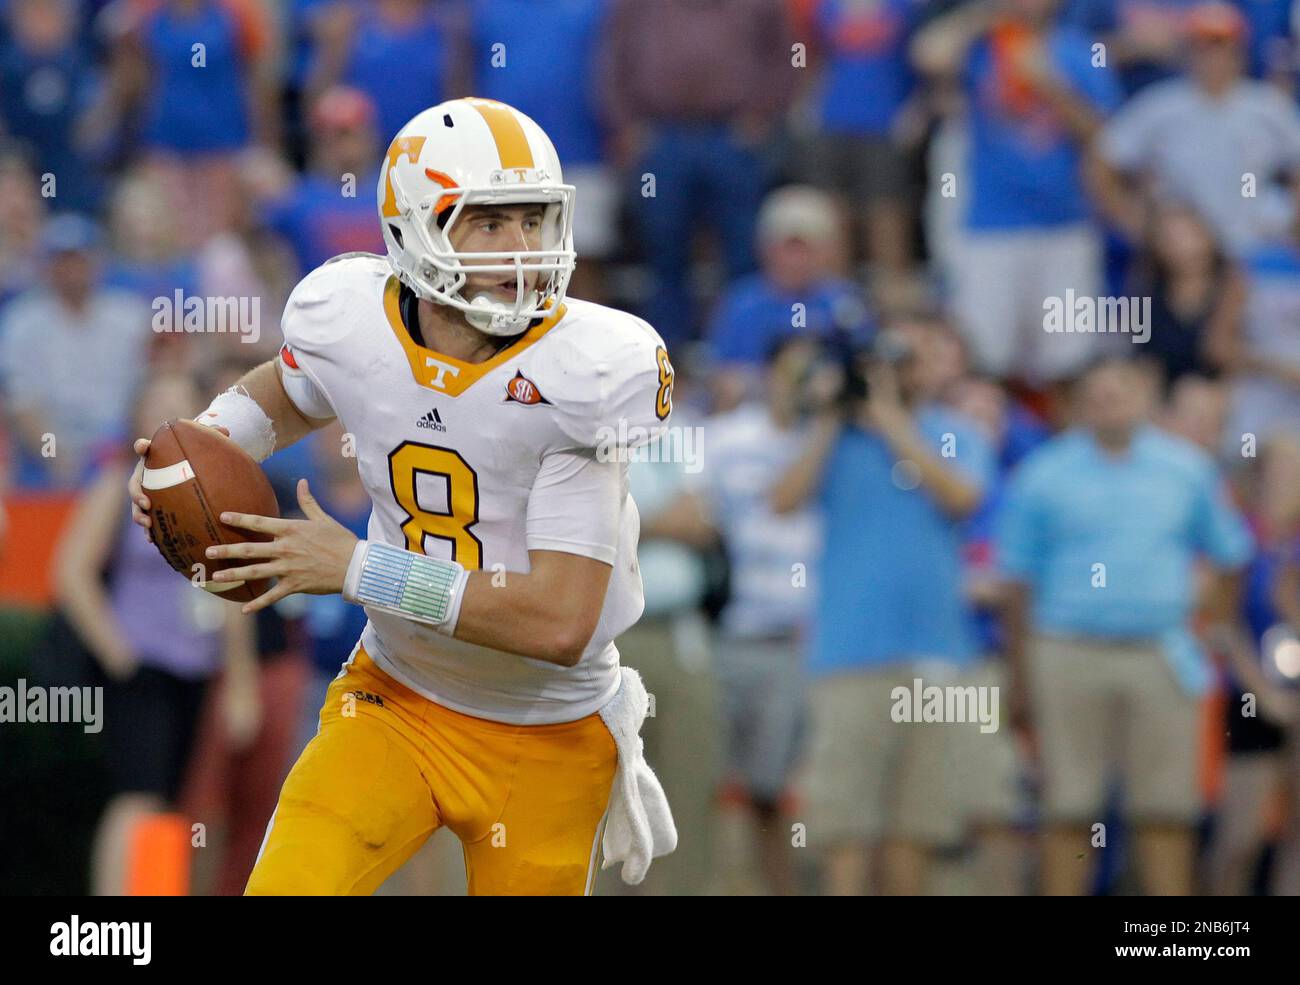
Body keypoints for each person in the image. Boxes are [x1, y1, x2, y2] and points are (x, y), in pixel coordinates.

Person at [128, 97, 676, 896]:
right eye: (489, 224)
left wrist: (360, 568)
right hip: (395, 700)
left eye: (533, 220)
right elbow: (289, 388)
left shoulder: (585, 373)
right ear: (414, 228)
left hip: (548, 732)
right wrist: (198, 452)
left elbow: (559, 622)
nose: (521, 250)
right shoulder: (352, 317)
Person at [996, 355, 1254, 895]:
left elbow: (1231, 553)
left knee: (1166, 811)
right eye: (1098, 394)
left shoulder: (1186, 469)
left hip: (1159, 651)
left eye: (1121, 392)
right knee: (1068, 808)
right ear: (1080, 403)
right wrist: (1019, 674)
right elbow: (1016, 581)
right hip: (1067, 649)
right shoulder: (1044, 473)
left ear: (1145, 397)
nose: (1108, 404)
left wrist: (1215, 628)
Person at [771, 317, 994, 895]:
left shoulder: (955, 432)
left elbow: (962, 498)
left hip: (936, 651)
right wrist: (828, 416)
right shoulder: (837, 438)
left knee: (916, 823)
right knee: (844, 821)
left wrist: (890, 419)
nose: (901, 369)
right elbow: (784, 500)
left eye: (914, 357)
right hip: (849, 654)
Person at [54, 371, 259, 896]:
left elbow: (231, 587)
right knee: (137, 794)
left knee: (176, 801)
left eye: (181, 406)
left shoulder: (212, 489)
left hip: (195, 665)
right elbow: (71, 571)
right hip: (143, 666)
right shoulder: (118, 483)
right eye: (157, 406)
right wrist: (118, 651)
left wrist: (240, 679)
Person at [913, 0, 1123, 384]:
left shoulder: (1080, 49)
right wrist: (984, 16)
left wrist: (1050, 85)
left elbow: (1105, 136)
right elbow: (929, 54)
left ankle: (1059, 441)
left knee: (1067, 359)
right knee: (984, 354)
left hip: (1066, 226)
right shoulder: (984, 45)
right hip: (991, 225)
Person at [1094, 2, 1300, 258]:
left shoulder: (1267, 106)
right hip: (1183, 257)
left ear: (1239, 50)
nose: (1211, 56)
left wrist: (1294, 225)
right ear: (1188, 52)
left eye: (1220, 44)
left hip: (1255, 249)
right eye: (1201, 46)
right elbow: (1103, 161)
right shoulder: (1161, 105)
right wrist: (1136, 225)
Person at [0, 213, 152, 489]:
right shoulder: (22, 321)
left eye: (79, 259)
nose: (71, 269)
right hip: (49, 451)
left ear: (98, 261)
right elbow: (20, 401)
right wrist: (59, 457)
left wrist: (129, 447)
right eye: (62, 260)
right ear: (47, 266)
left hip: (122, 443)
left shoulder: (131, 316)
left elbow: (148, 390)